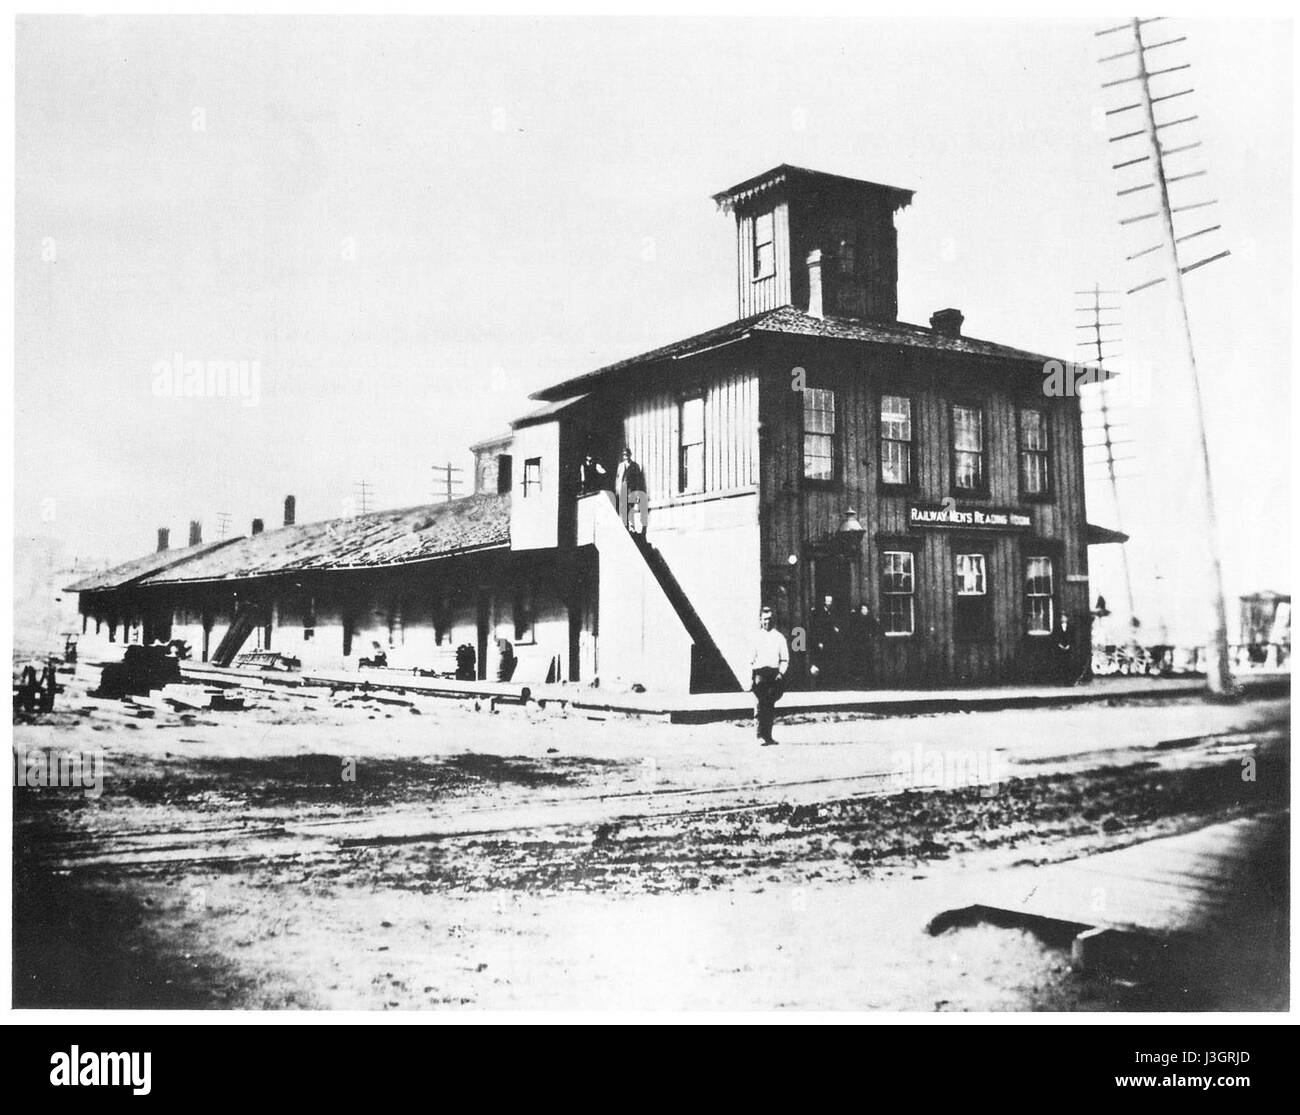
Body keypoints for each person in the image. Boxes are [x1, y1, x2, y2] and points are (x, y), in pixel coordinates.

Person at [750, 606, 789, 746]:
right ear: (761, 620)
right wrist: (751, 677)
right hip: (760, 674)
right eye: (765, 619)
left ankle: (769, 736)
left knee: (770, 706)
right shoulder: (755, 637)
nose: (767, 622)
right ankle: (760, 735)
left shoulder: (779, 638)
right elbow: (750, 659)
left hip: (773, 674)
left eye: (770, 619)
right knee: (760, 705)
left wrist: (781, 673)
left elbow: (784, 658)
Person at [810, 594, 842, 689]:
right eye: (828, 601)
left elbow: (834, 624)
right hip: (823, 642)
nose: (829, 603)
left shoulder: (833, 612)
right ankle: (821, 684)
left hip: (831, 641)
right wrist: (819, 641)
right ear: (824, 602)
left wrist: (836, 628)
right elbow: (819, 628)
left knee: (830, 662)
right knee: (822, 662)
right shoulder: (820, 613)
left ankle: (830, 683)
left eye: (830, 601)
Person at [614, 447, 649, 535]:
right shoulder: (621, 466)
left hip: (631, 489)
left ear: (630, 455)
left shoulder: (635, 466)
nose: (626, 457)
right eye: (624, 455)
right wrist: (617, 491)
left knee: (630, 508)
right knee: (623, 508)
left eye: (627, 455)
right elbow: (618, 479)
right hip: (623, 489)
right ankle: (625, 527)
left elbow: (637, 480)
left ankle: (632, 527)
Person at [846, 602, 880, 688]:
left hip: (867, 644)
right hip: (858, 644)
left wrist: (871, 634)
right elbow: (852, 629)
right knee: (859, 663)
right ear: (860, 610)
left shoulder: (870, 619)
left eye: (866, 609)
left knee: (868, 663)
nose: (865, 611)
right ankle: (859, 683)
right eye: (863, 609)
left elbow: (876, 628)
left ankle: (868, 683)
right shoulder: (857, 619)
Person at [1054, 612, 1074, 685]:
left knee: (1068, 664)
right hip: (1060, 648)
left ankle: (1068, 681)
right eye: (1062, 618)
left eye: (1064, 617)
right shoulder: (1057, 627)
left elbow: (1072, 637)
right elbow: (1055, 638)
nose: (1063, 619)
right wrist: (1060, 645)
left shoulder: (1071, 627)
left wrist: (1069, 645)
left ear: (1067, 618)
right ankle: (1060, 681)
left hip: (1068, 648)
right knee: (1060, 664)